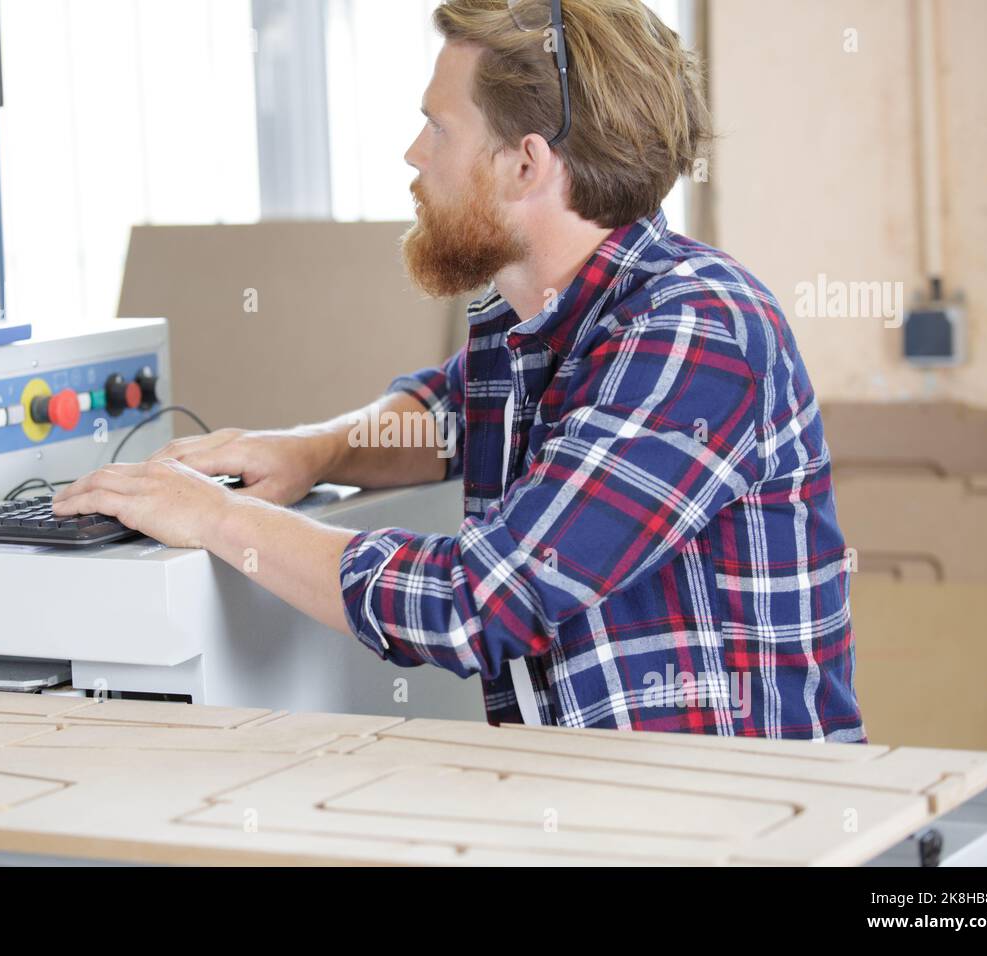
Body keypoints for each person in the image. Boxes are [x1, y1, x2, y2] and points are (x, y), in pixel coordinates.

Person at [54, 0, 865, 740]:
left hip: (736, 820)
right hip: (604, 806)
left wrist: (217, 519)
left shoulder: (697, 330)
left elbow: (482, 603)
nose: (413, 155)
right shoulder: (537, 321)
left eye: (437, 129)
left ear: (526, 165)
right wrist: (310, 452)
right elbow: (443, 416)